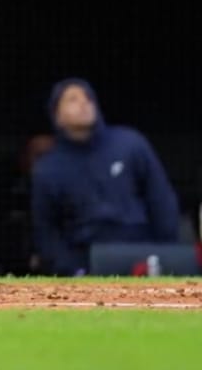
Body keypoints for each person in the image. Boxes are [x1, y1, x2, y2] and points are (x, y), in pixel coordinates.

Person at [32, 79, 180, 277]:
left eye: (88, 97)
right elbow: (46, 229)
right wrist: (70, 268)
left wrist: (165, 252)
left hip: (140, 254)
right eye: (72, 100)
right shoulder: (48, 169)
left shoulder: (130, 144)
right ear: (57, 116)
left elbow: (161, 199)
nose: (84, 103)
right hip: (85, 261)